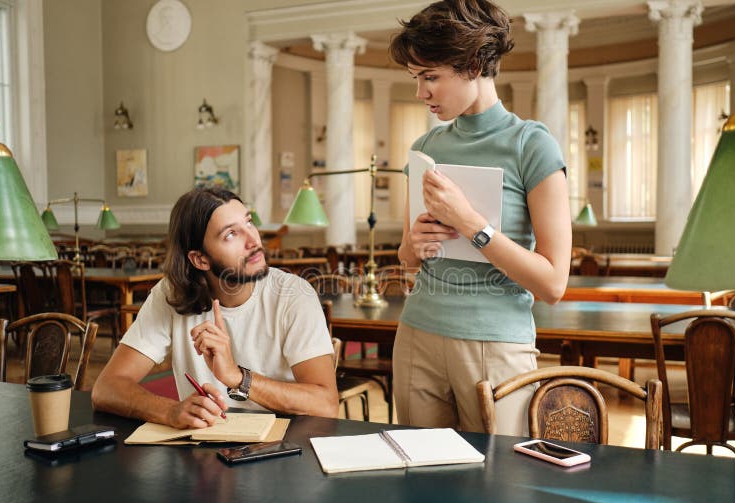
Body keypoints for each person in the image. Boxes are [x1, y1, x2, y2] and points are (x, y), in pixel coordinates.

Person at [388, 0, 571, 435]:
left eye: (430, 77)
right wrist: (413, 243)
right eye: (416, 78)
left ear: (473, 64)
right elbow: (407, 260)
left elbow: (553, 284)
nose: (421, 93)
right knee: (423, 489)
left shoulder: (532, 146)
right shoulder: (424, 146)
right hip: (417, 335)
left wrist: (471, 224)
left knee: (500, 488)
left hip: (497, 344)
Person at [91, 188, 338, 428]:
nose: (253, 240)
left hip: (285, 450)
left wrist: (238, 378)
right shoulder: (170, 294)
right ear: (200, 259)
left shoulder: (294, 294)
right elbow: (107, 388)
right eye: (231, 234)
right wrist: (170, 411)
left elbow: (325, 405)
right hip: (203, 456)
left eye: (249, 222)